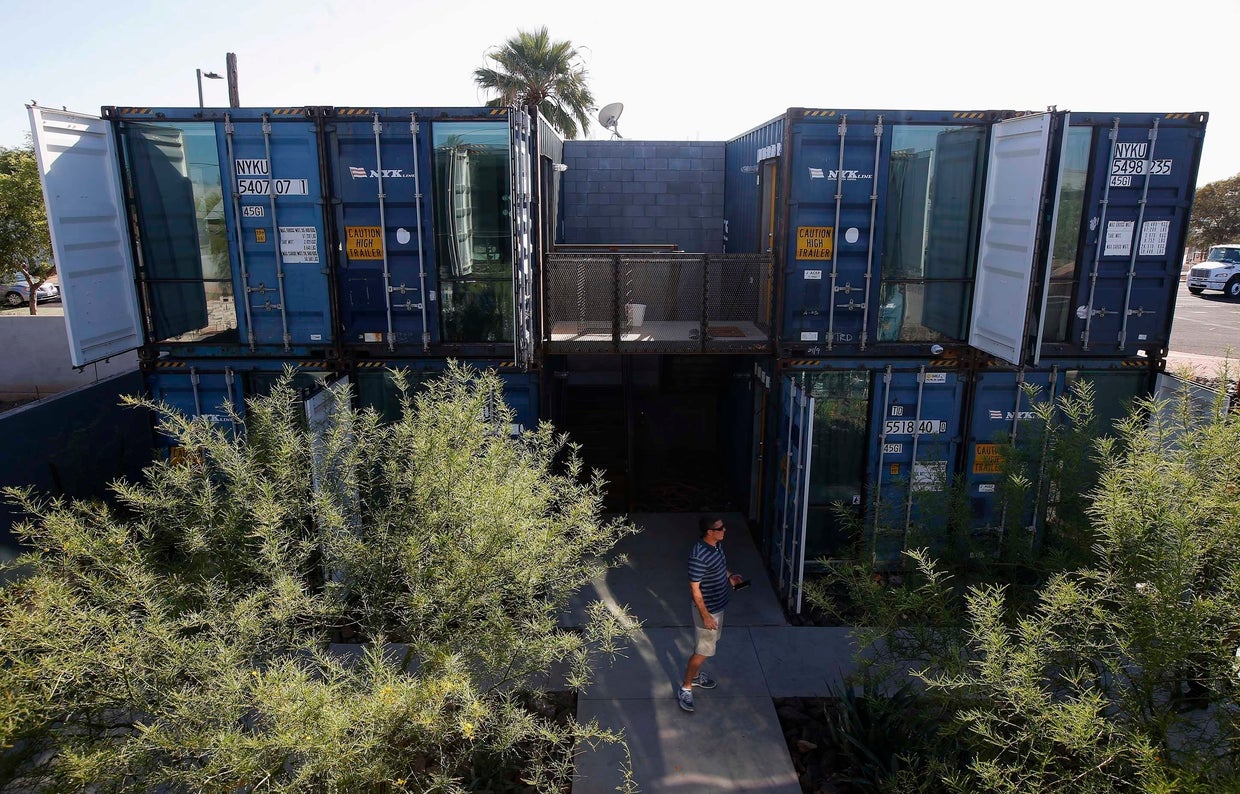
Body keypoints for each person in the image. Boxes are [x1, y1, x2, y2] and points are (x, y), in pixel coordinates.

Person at [678, 515, 743, 713]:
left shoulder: (716, 546)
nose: (725, 530)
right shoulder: (699, 556)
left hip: (718, 606)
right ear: (710, 532)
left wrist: (730, 577)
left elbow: (720, 568)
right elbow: (695, 589)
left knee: (705, 646)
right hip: (708, 610)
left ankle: (696, 677)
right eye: (721, 528)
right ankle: (686, 687)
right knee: (703, 651)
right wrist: (705, 616)